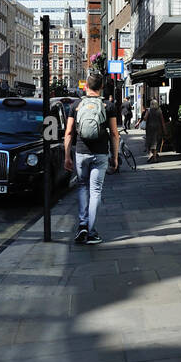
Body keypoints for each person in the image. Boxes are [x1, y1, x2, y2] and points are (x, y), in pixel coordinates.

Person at [64, 70, 119, 245]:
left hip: (81, 152)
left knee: (82, 187)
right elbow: (115, 134)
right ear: (102, 87)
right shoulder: (107, 106)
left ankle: (82, 224)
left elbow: (68, 133)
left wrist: (67, 156)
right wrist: (115, 157)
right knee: (96, 191)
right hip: (100, 153)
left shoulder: (76, 105)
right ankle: (92, 231)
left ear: (86, 86)